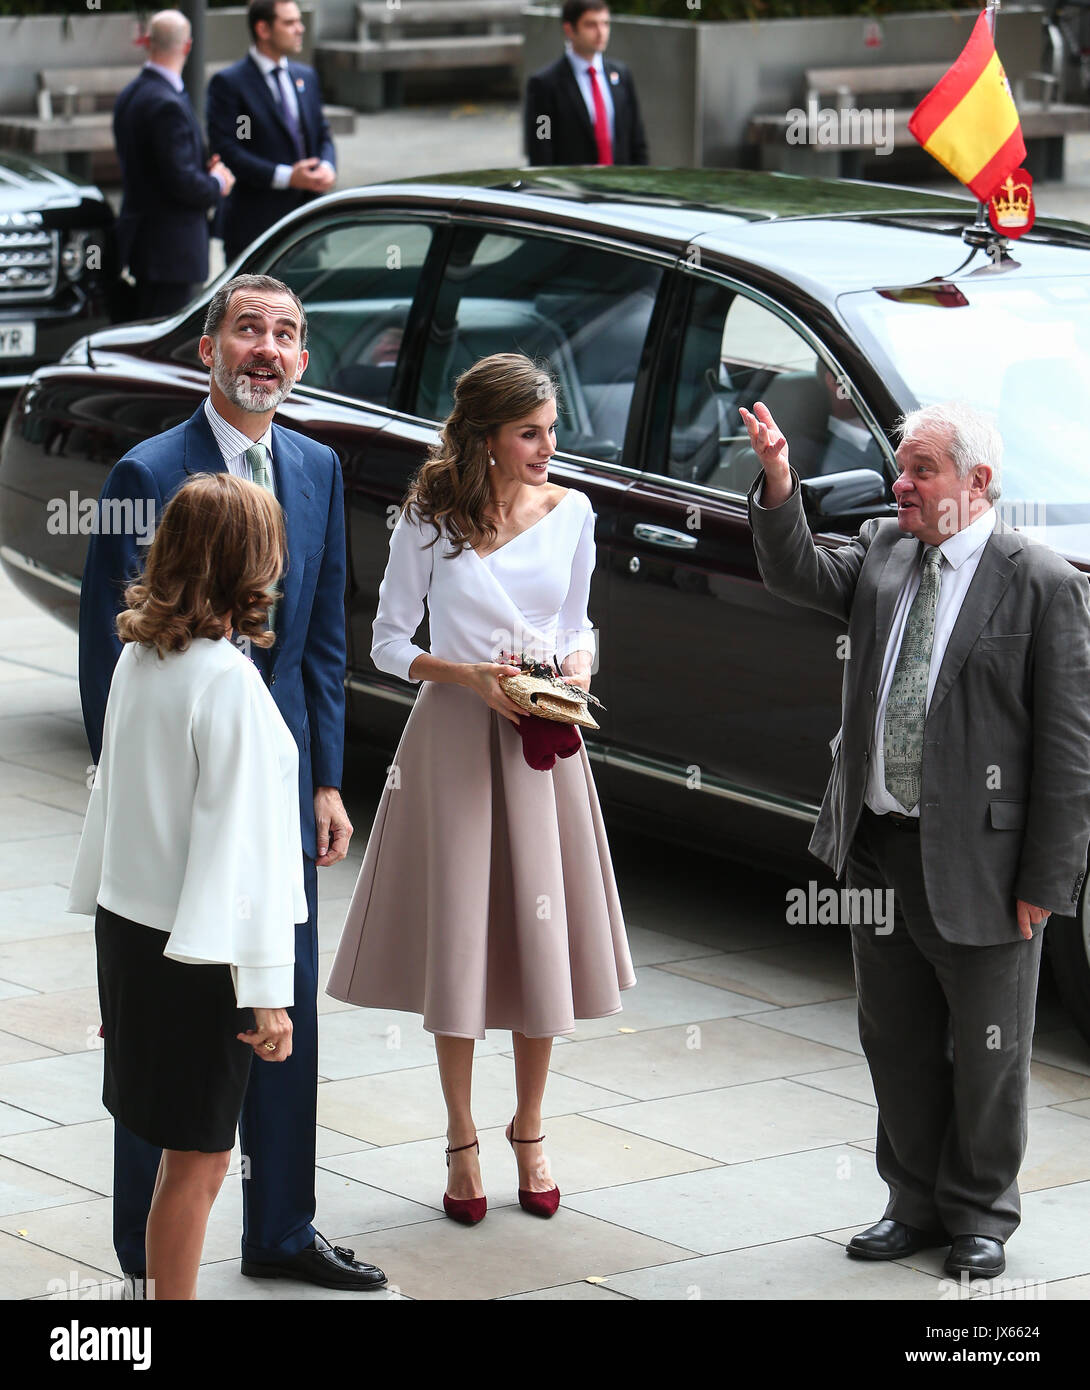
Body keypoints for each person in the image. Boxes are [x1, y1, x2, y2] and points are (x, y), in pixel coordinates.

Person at [78, 273, 385, 1294]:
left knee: (275, 1011)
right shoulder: (145, 468)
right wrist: (139, 810)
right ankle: (147, 1254)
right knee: (174, 1062)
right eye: (248, 328)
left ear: (302, 360)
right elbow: (107, 659)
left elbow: (321, 645)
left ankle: (282, 1229)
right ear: (208, 347)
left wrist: (327, 783)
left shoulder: (318, 467)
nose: (267, 347)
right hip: (178, 833)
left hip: (279, 800)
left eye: (288, 334)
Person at [742, 397, 1090, 1280]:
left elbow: (1069, 749)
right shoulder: (889, 551)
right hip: (879, 849)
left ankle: (980, 1213)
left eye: (919, 471)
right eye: (900, 467)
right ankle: (912, 1202)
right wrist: (780, 480)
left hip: (985, 864)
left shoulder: (1042, 582)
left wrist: (1048, 879)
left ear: (974, 483)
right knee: (892, 1039)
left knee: (988, 1053)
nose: (899, 483)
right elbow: (797, 574)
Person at [327, 352, 635, 1224]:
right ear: (488, 438)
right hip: (456, 738)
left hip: (545, 737)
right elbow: (387, 644)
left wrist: (573, 666)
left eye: (550, 431)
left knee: (543, 943)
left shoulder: (574, 511)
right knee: (459, 943)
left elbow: (579, 623)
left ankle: (530, 1129)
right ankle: (461, 1137)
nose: (546, 447)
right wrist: (468, 677)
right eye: (529, 433)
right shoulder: (430, 518)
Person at [67, 474, 301, 1300]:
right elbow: (246, 853)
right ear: (246, 562)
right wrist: (267, 993)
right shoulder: (226, 680)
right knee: (201, 1164)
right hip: (204, 956)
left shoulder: (140, 656)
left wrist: (119, 973)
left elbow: (116, 811)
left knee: (183, 1156)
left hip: (135, 934)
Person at [113, 10, 235, 319]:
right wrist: (218, 182)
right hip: (171, 251)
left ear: (148, 42)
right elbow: (182, 183)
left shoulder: (131, 94)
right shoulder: (166, 103)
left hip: (145, 244)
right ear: (187, 46)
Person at [207, 0, 336, 262]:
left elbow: (322, 133)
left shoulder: (306, 76)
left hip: (307, 225)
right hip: (254, 230)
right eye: (289, 23)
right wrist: (287, 177)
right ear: (263, 29)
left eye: (299, 21)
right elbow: (229, 150)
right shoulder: (230, 83)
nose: (299, 29)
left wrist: (327, 167)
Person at [524, 0, 649, 168]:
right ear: (569, 29)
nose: (601, 32)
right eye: (591, 25)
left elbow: (637, 140)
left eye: (605, 23)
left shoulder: (621, 75)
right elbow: (541, 147)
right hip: (573, 188)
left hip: (620, 185)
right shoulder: (545, 84)